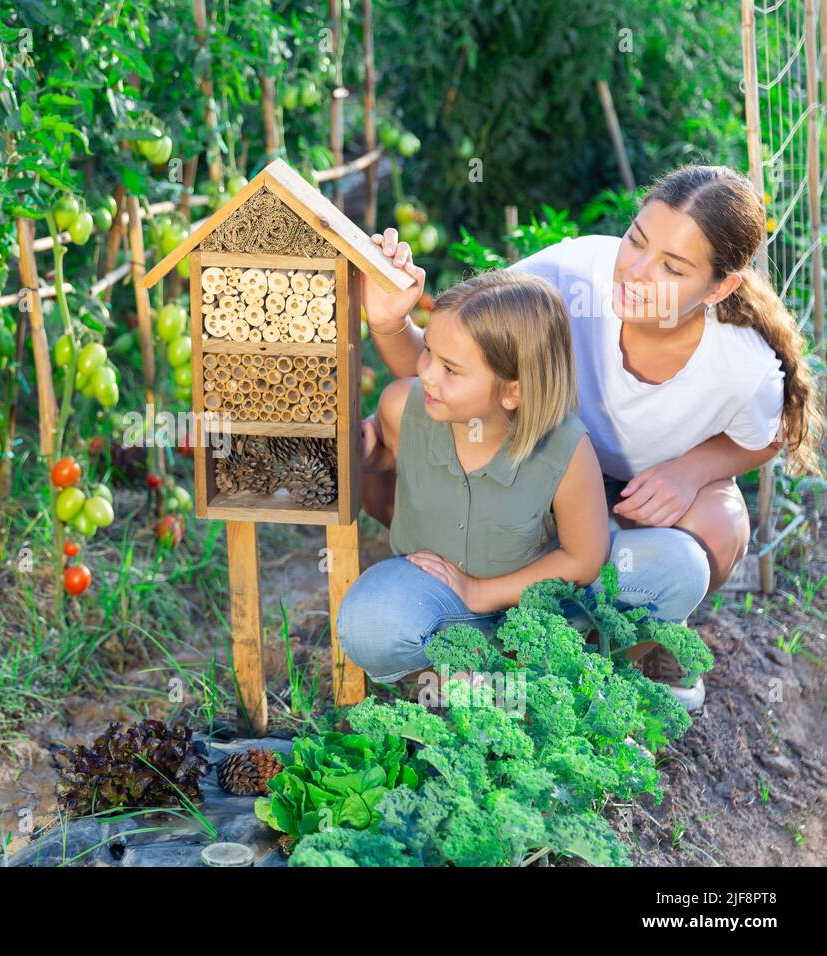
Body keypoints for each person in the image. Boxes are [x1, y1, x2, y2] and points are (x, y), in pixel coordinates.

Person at [356, 164, 823, 709]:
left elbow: (764, 437)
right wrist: (390, 322)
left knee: (716, 529)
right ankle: (485, 614)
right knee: (383, 450)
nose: (637, 273)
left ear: (720, 287)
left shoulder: (741, 365)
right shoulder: (571, 273)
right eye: (637, 241)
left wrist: (690, 470)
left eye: (672, 268)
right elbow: (457, 366)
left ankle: (642, 646)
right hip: (532, 475)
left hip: (633, 502)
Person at [337, 270, 608, 688]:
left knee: (642, 580)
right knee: (369, 622)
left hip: (526, 611)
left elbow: (584, 558)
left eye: (451, 369)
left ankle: (504, 682)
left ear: (512, 392)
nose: (425, 373)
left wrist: (481, 591)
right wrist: (365, 450)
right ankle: (453, 682)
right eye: (428, 351)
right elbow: (380, 457)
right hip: (437, 600)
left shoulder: (565, 448)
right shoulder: (402, 406)